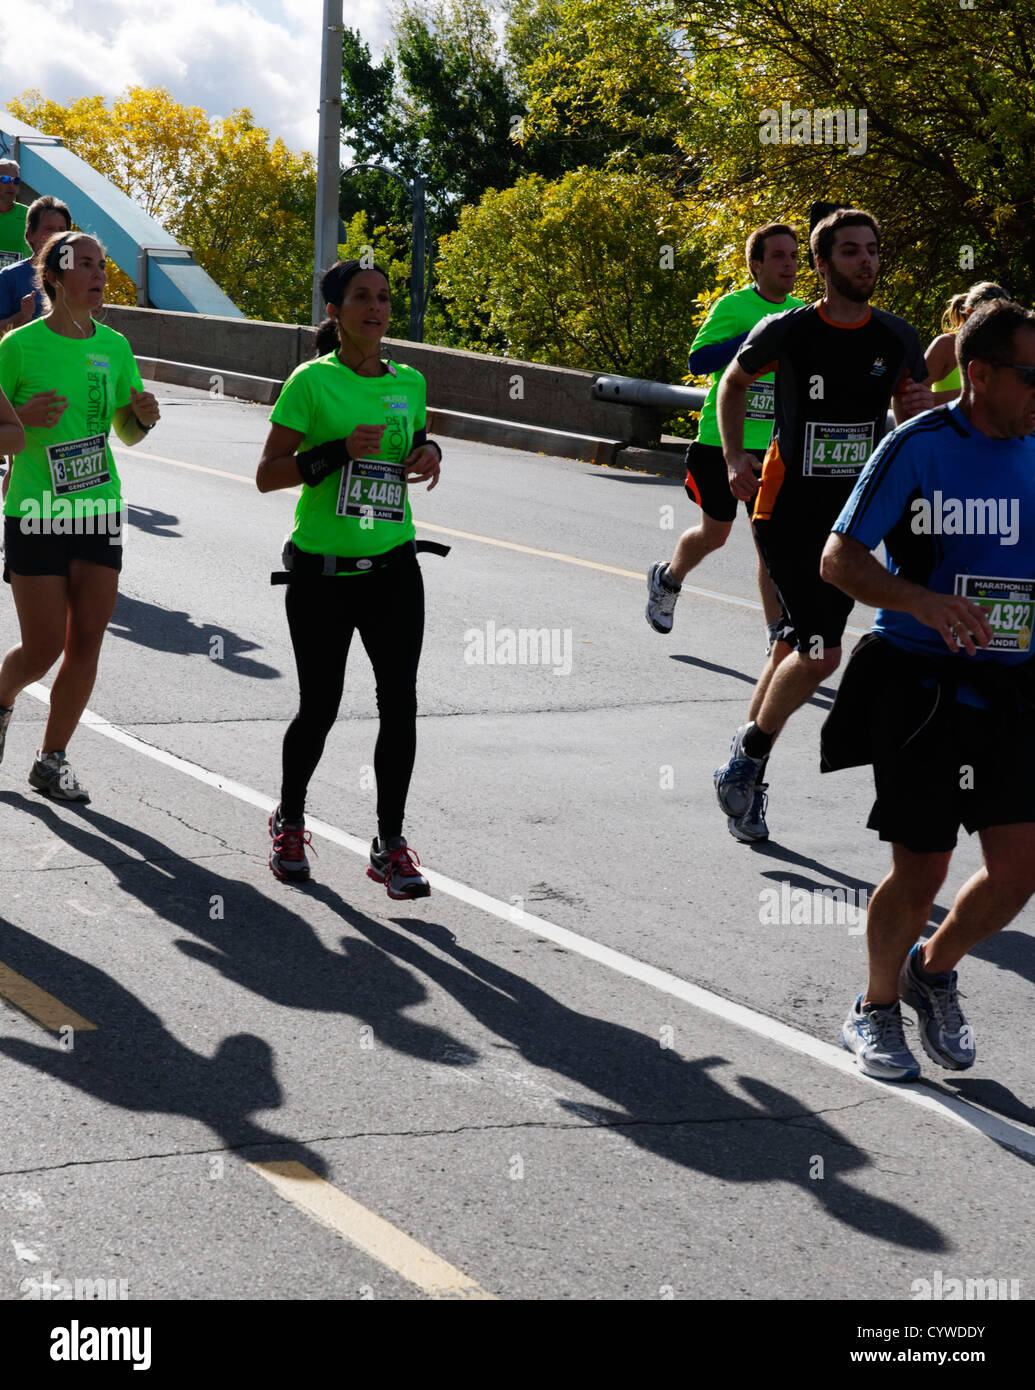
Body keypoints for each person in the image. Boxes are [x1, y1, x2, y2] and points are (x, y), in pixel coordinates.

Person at [821, 299, 1035, 1081]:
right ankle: (873, 1008)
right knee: (923, 868)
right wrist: (921, 599)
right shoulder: (919, 444)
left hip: (1013, 683)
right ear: (977, 374)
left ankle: (931, 970)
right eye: (1029, 376)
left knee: (1020, 867)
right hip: (920, 684)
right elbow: (838, 559)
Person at [712, 208, 930, 842]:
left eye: (873, 249)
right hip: (787, 508)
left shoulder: (896, 336)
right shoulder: (788, 329)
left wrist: (912, 405)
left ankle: (745, 766)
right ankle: (749, 759)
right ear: (822, 264)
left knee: (796, 648)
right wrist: (732, 455)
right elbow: (732, 382)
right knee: (820, 650)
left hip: (858, 513)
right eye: (852, 251)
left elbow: (908, 405)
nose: (867, 261)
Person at [256, 259, 443, 899]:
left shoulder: (410, 381)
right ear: (333, 312)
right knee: (321, 706)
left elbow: (416, 437)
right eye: (361, 297)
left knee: (401, 703)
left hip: (393, 565)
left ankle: (390, 845)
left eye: (385, 298)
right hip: (322, 572)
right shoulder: (311, 382)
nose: (376, 308)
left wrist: (430, 453)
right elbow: (268, 473)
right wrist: (337, 453)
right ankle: (289, 820)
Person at [0, 231, 161, 801]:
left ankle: (52, 758)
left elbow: (126, 431)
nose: (98, 275)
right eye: (86, 265)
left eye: (102, 265)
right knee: (42, 648)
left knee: (86, 641)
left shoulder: (114, 346)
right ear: (55, 277)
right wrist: (20, 416)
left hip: (98, 508)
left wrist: (141, 416)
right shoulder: (18, 347)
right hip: (35, 510)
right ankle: (1, 699)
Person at [645, 223, 803, 651]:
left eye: (793, 256)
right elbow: (699, 360)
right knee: (715, 534)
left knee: (768, 543)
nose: (789, 264)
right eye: (778, 256)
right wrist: (757, 340)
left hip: (771, 447)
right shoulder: (734, 306)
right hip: (720, 443)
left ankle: (777, 636)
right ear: (756, 265)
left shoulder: (803, 312)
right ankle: (668, 578)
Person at [923, 282, 1009, 406]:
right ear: (969, 314)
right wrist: (972, 393)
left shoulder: (1006, 350)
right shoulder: (946, 345)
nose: (997, 326)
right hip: (947, 424)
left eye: (1002, 319)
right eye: (990, 318)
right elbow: (911, 397)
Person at [0, 196, 73, 334]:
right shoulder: (9, 276)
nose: (56, 235)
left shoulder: (75, 276)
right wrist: (22, 317)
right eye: (49, 229)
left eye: (62, 229)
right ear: (29, 235)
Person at [0, 160, 30, 270]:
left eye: (16, 180)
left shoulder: (31, 216)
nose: (11, 185)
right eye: (5, 179)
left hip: (18, 286)